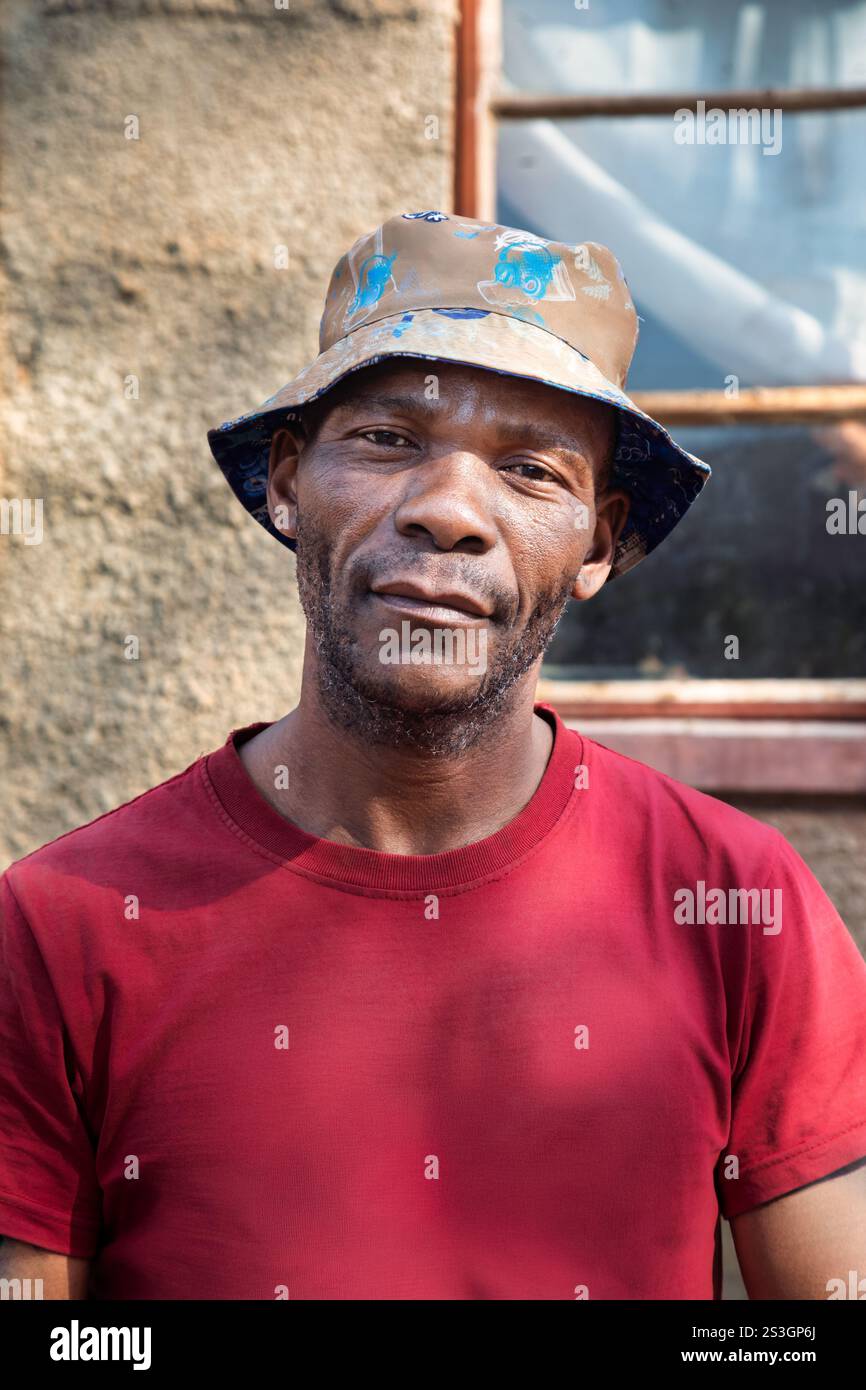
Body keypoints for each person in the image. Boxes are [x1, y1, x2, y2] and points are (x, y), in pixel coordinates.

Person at [1, 212, 864, 1301]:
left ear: (598, 542)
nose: (448, 510)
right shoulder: (60, 925)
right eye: (387, 440)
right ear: (284, 482)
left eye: (528, 470)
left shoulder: (735, 905)